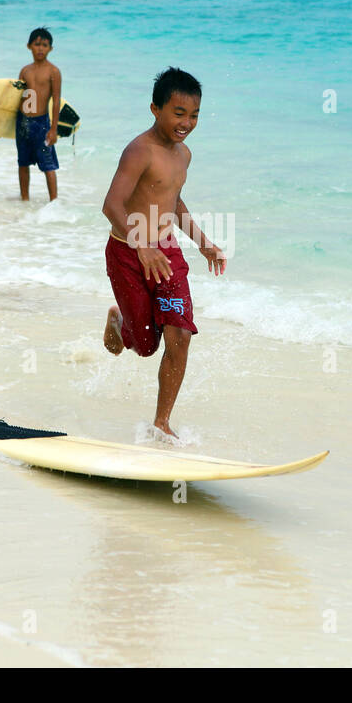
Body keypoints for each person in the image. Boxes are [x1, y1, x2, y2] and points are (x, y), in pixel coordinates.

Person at [101, 67, 226, 441]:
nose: (186, 122)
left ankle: (161, 422)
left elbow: (171, 202)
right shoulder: (139, 151)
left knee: (180, 334)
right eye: (178, 112)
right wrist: (141, 245)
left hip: (167, 254)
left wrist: (202, 241)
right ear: (155, 109)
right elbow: (111, 205)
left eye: (194, 115)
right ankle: (119, 320)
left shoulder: (183, 154)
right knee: (144, 346)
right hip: (127, 252)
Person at [16, 27, 61, 201]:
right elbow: (16, 97)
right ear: (29, 46)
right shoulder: (25, 71)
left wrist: (54, 129)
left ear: (51, 48)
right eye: (37, 44)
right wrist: (0, 125)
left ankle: (54, 202)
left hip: (41, 123)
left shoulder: (53, 71)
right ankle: (24, 199)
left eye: (44, 45)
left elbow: (56, 100)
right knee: (23, 162)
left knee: (48, 164)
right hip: (22, 121)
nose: (40, 48)